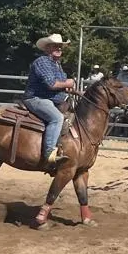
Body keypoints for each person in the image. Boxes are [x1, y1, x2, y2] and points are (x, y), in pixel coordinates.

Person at [21, 33, 76, 169]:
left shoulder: (57, 65)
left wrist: (69, 88)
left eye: (60, 46)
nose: (59, 49)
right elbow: (52, 84)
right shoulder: (42, 62)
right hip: (36, 98)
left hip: (50, 99)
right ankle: (49, 154)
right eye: (55, 46)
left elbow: (60, 84)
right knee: (56, 118)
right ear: (47, 48)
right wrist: (69, 83)